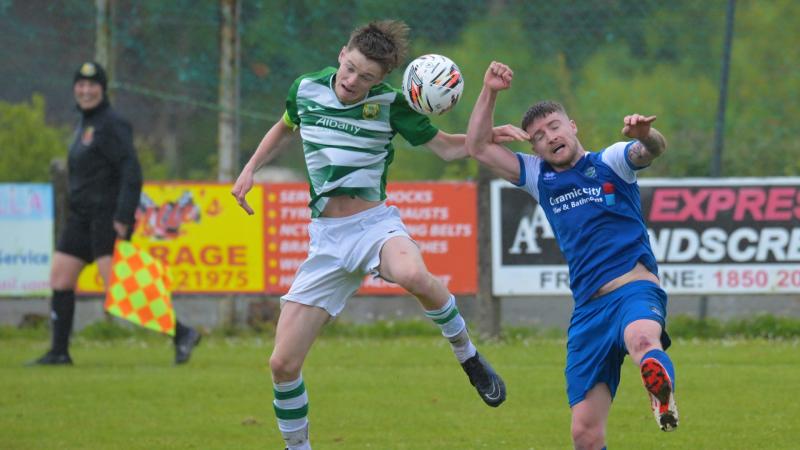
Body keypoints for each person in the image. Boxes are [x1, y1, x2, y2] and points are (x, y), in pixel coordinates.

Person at [232, 21, 507, 450]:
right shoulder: (305, 88)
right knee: (282, 364)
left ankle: (467, 355)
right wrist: (250, 168)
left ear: (380, 81)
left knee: (413, 275)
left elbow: (453, 148)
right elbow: (286, 125)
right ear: (343, 54)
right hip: (326, 239)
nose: (353, 82)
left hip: (374, 225)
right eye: (352, 69)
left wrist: (486, 119)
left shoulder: (391, 104)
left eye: (367, 78)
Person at [465, 61, 678, 449]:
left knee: (643, 341)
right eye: (539, 136)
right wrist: (490, 91)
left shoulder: (610, 162)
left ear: (572, 126)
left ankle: (661, 393)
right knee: (584, 434)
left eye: (555, 126)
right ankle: (657, 388)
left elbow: (651, 150)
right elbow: (477, 146)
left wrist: (647, 134)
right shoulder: (538, 177)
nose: (549, 137)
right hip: (588, 312)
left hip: (634, 290)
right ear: (534, 147)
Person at [30, 61, 201, 366]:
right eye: (80, 85)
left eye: (92, 85)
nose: (85, 90)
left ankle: (182, 333)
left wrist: (123, 216)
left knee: (123, 287)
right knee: (60, 276)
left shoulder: (111, 123)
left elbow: (131, 172)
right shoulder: (84, 123)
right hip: (80, 217)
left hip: (105, 217)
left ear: (103, 89)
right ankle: (59, 352)